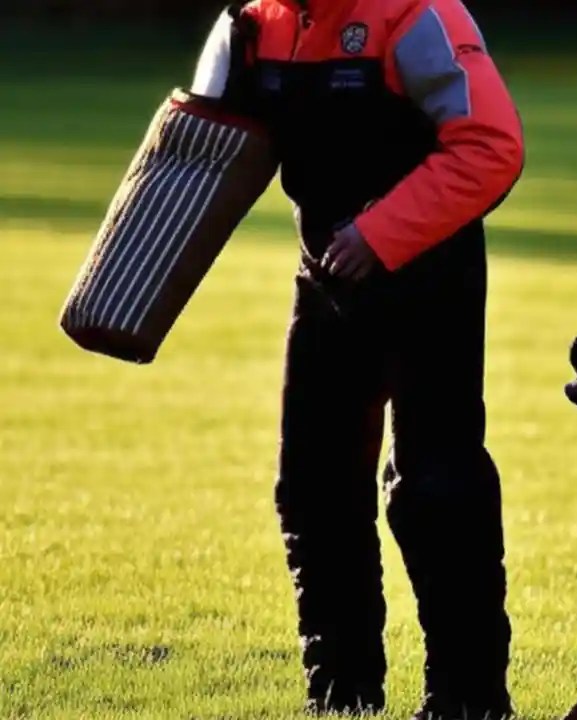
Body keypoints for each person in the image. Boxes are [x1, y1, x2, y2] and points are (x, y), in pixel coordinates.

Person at [187, 0, 524, 717]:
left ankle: (468, 700)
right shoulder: (254, 22)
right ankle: (342, 696)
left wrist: (380, 235)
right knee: (313, 490)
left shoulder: (418, 14)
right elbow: (194, 148)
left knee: (437, 488)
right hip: (329, 280)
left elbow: (491, 145)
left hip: (431, 277)